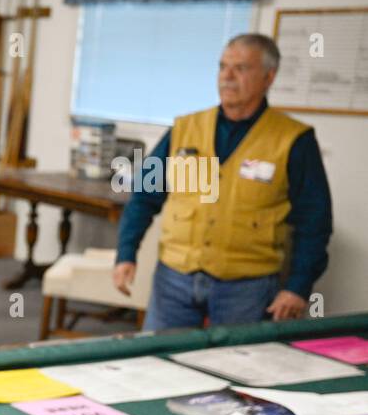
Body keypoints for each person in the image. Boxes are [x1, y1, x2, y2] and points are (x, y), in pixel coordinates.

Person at [112, 33, 332, 329]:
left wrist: (298, 286)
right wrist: (126, 254)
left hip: (247, 288)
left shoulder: (293, 139)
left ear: (269, 77)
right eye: (222, 66)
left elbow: (315, 220)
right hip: (174, 280)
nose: (227, 77)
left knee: (235, 368)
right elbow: (144, 195)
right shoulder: (184, 129)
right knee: (158, 364)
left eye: (240, 68)